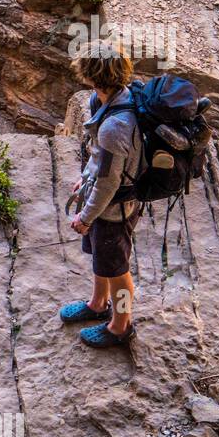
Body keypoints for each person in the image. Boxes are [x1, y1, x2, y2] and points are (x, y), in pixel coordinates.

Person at [60, 43, 143, 348]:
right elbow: (98, 161)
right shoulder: (109, 99)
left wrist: (85, 217)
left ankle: (121, 325)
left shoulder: (115, 127)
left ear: (91, 76)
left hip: (113, 209)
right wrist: (84, 182)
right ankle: (98, 304)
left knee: (118, 271)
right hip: (103, 203)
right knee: (102, 258)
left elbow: (109, 184)